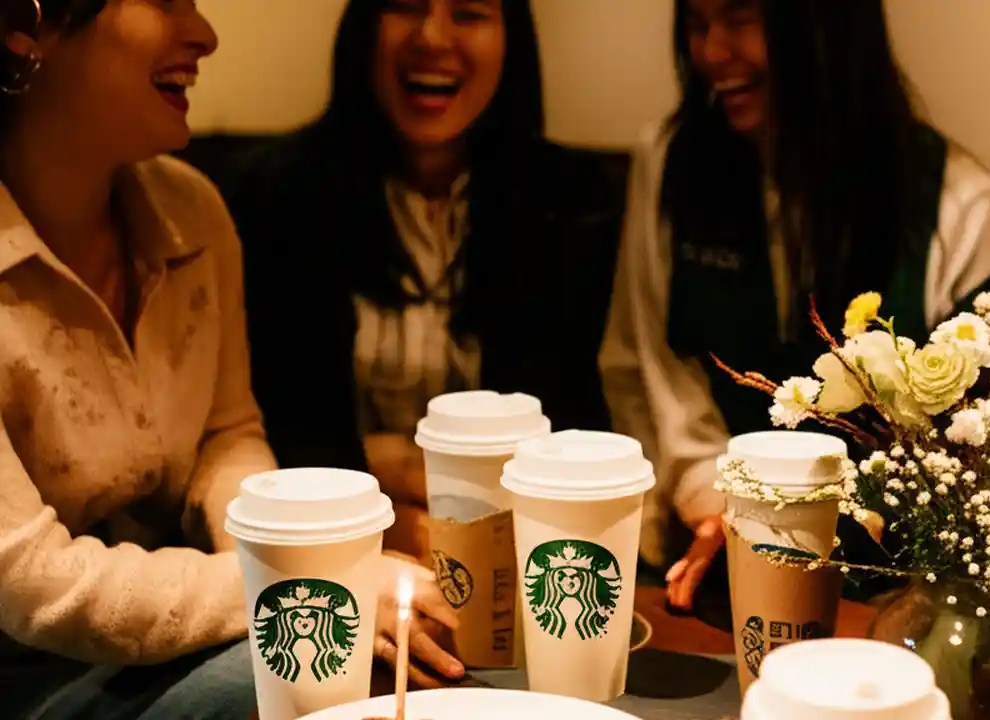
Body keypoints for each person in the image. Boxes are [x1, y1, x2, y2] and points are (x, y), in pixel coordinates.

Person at [0, 1, 460, 717]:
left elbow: (228, 437)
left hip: (183, 640)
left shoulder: (193, 212)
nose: (203, 34)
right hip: (24, 672)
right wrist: (295, 587)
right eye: (165, 1)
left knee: (372, 660)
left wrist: (298, 569)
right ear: (28, 23)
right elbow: (32, 583)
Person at [599, 0, 990, 609]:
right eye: (696, 22)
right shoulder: (673, 159)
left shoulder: (951, 197)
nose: (711, 52)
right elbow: (649, 361)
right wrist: (716, 499)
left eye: (741, 17)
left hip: (889, 591)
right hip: (705, 549)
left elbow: (974, 438)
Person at [224, 0, 623, 508]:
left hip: (519, 544)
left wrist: (404, 465)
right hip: (328, 541)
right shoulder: (269, 196)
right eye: (405, 6)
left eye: (469, 13)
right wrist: (388, 491)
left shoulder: (576, 204)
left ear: (511, 40)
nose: (432, 37)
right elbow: (268, 427)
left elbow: (573, 428)